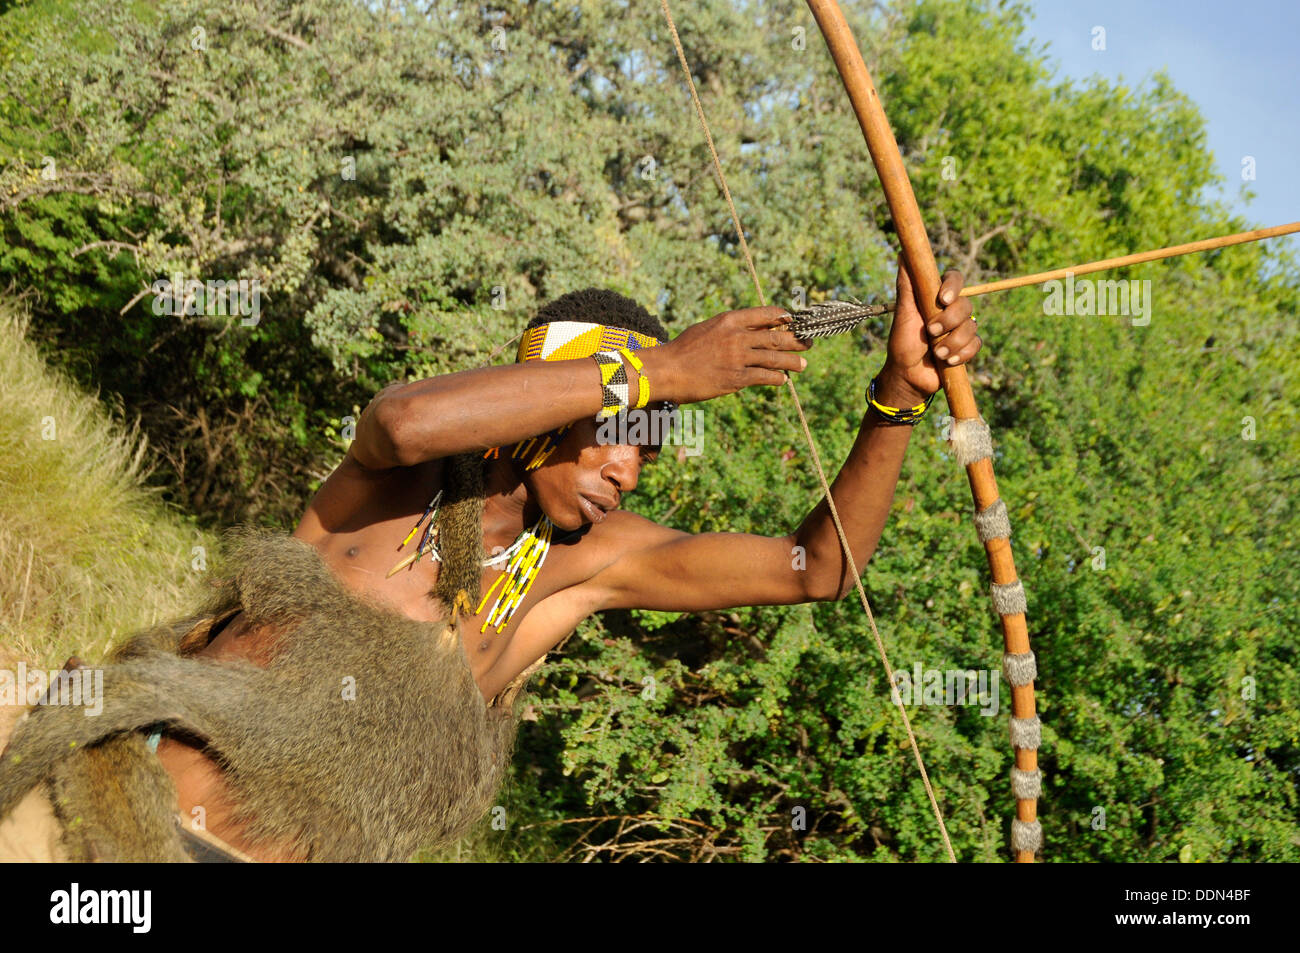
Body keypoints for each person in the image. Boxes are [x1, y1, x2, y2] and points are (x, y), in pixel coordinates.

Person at [0, 262, 978, 861]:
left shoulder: (580, 567)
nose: (628, 466)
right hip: (86, 821)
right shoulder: (394, 491)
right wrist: (666, 368)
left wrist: (896, 393)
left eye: (649, 439)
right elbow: (400, 417)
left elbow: (817, 567)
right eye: (612, 430)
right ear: (550, 407)